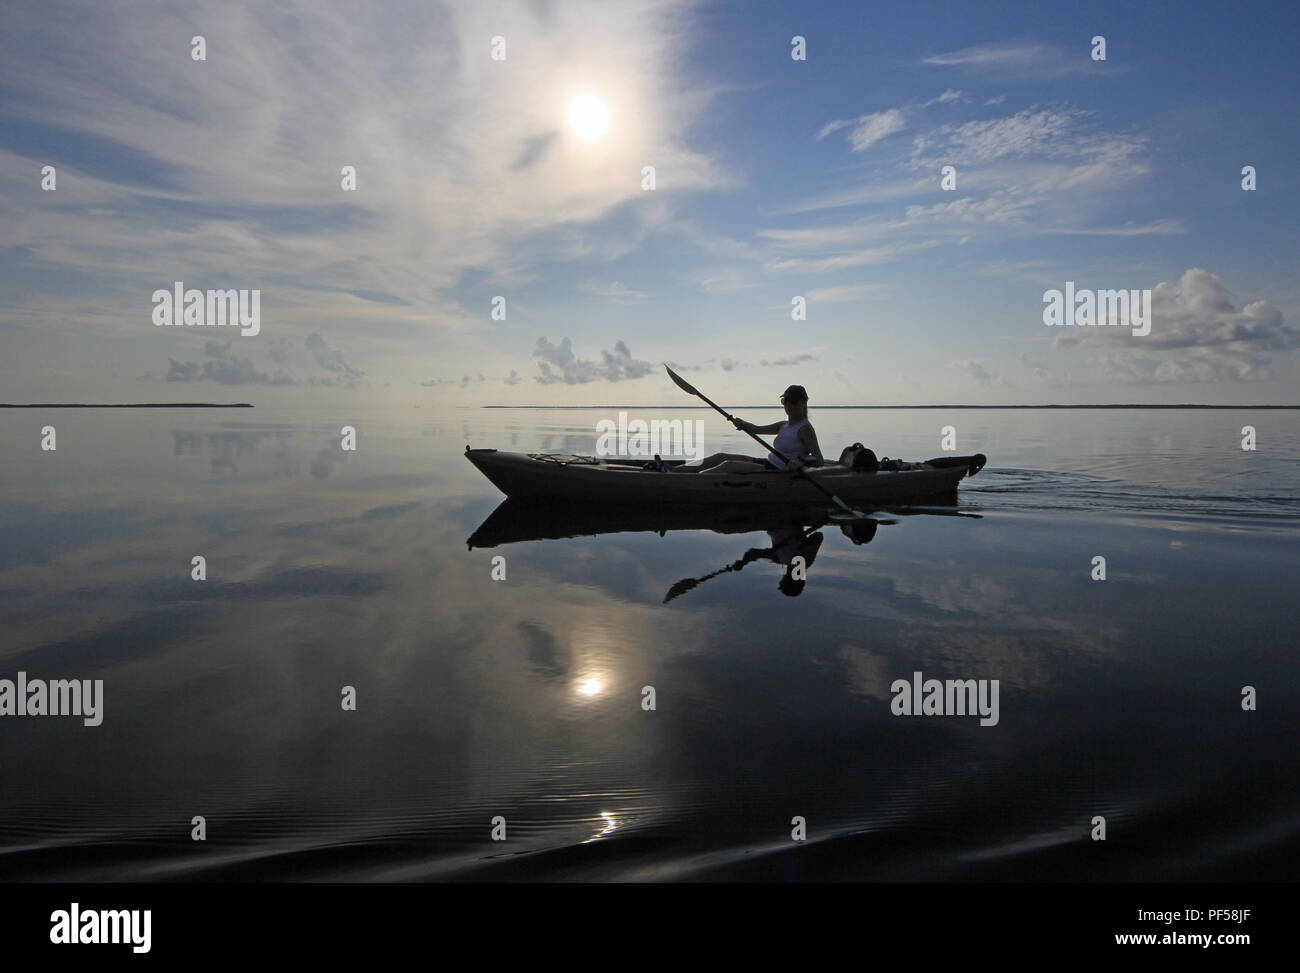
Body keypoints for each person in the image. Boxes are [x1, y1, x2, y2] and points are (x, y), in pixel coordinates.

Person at [668, 384, 823, 474]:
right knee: (720, 456)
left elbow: (819, 461)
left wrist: (800, 462)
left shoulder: (805, 429)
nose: (788, 405)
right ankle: (672, 471)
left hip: (777, 472)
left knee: (728, 465)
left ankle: (689, 481)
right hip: (767, 463)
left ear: (803, 403)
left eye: (793, 401)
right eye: (785, 400)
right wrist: (742, 424)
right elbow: (755, 429)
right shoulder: (783, 425)